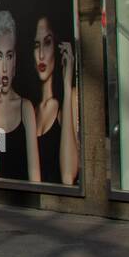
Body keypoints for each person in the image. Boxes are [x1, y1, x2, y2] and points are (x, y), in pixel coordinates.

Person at [0, 10, 40, 181]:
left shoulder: (26, 108)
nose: (5, 68)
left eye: (9, 56)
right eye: (0, 57)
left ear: (15, 58)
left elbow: (35, 177)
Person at [32, 15, 81, 185]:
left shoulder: (71, 98)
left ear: (58, 46)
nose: (40, 55)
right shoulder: (30, 108)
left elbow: (68, 176)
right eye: (36, 45)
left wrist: (67, 86)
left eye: (47, 43)